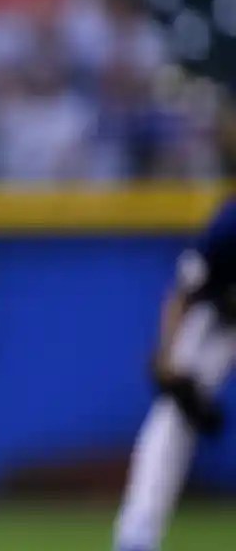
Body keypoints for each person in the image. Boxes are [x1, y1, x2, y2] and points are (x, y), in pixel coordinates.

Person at [114, 199, 236, 551]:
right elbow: (183, 293)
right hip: (219, 320)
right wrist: (167, 358)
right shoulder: (229, 225)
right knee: (170, 418)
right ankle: (137, 535)